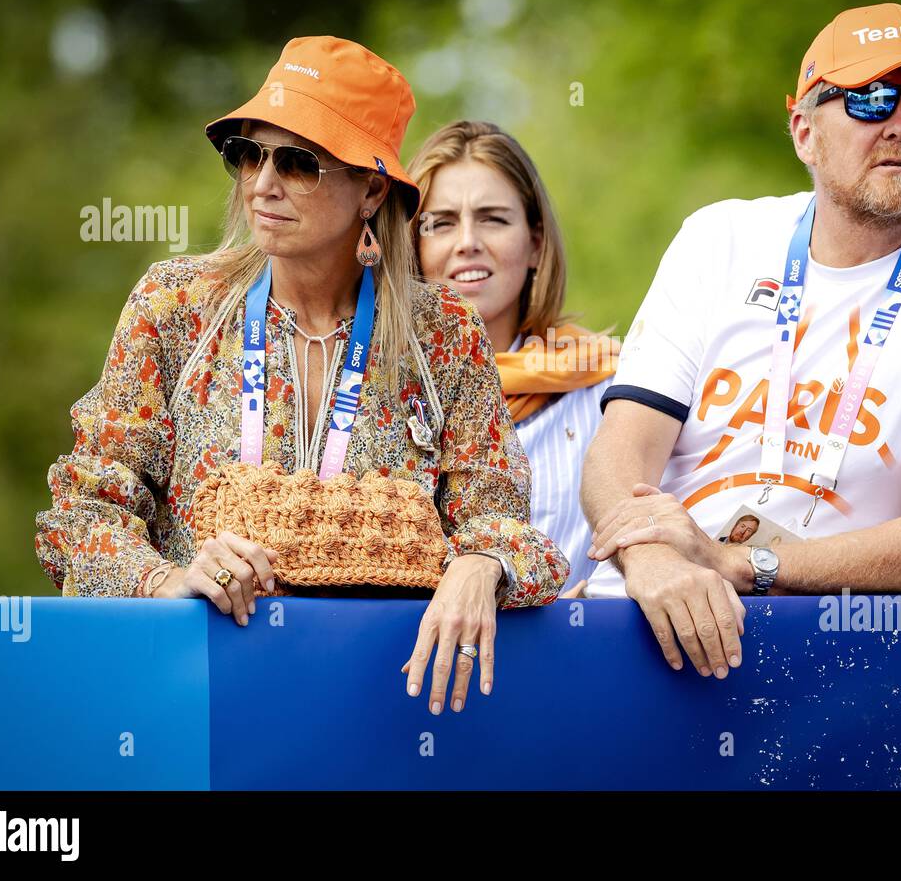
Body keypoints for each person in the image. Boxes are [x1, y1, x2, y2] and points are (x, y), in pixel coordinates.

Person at [35, 37, 569, 716]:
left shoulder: (445, 335)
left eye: (298, 162)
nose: (263, 183)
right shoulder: (173, 305)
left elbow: (507, 525)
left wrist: (481, 564)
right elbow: (81, 515)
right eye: (248, 153)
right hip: (193, 708)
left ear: (372, 187)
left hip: (386, 711)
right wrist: (165, 579)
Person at [580, 3, 901, 681]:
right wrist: (653, 561)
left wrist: (735, 563)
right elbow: (619, 450)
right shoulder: (719, 238)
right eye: (871, 99)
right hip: (642, 617)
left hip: (828, 652)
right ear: (803, 130)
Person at [407, 121, 618, 595]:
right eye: (440, 223)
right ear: (412, 247)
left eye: (493, 219)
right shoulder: (372, 391)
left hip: (571, 658)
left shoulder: (608, 393)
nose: (467, 242)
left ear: (536, 244)